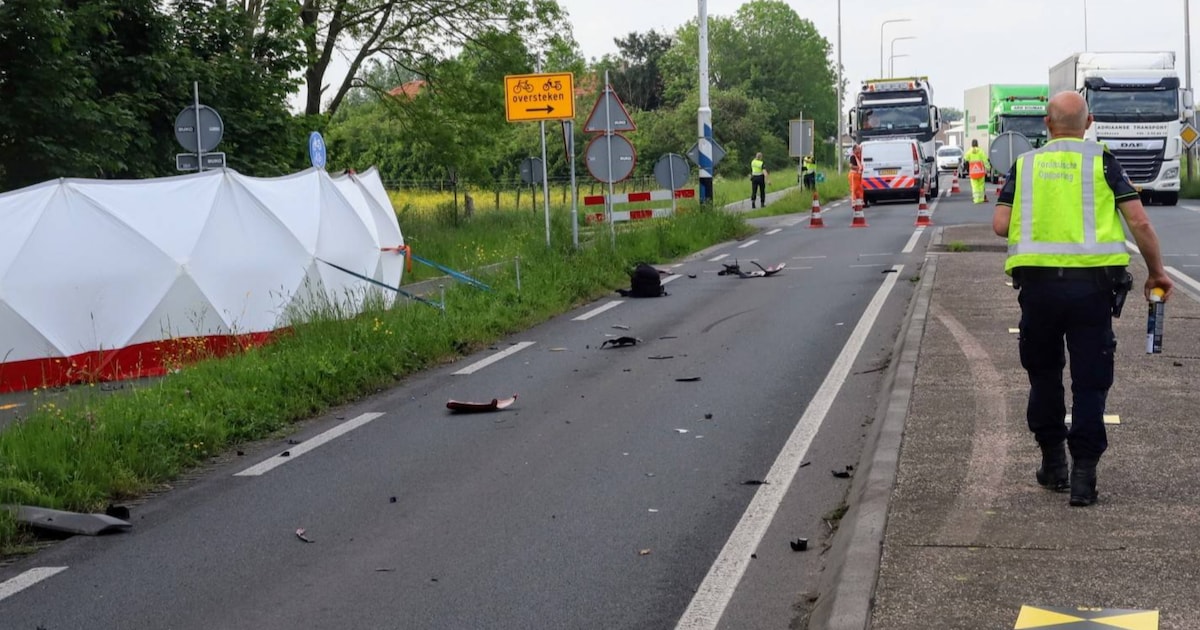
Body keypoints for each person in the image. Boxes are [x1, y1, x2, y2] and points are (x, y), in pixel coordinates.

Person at [992, 91, 1173, 507]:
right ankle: (1084, 477)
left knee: (1044, 373)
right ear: (1088, 123)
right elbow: (1139, 222)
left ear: (1047, 125)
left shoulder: (1026, 165)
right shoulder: (1103, 161)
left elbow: (1001, 225)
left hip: (1038, 290)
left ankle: (1053, 463)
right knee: (1090, 380)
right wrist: (1157, 273)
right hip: (1092, 291)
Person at [964, 139, 990, 203]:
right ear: (977, 144)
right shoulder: (981, 151)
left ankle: (976, 199)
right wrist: (988, 168)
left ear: (972, 144)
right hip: (980, 172)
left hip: (973, 172)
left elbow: (965, 160)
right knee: (981, 185)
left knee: (975, 186)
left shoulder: (969, 152)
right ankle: (981, 199)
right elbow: (985, 161)